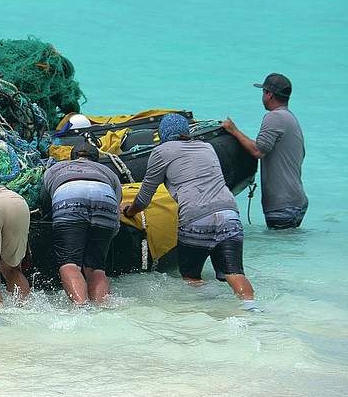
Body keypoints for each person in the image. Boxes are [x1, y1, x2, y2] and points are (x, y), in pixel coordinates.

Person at [121, 113, 259, 310]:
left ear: (162, 134)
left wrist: (129, 212)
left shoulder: (161, 152)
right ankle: (251, 307)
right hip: (229, 214)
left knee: (191, 276)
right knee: (235, 273)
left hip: (196, 217)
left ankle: (213, 305)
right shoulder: (207, 147)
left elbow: (144, 198)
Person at [222, 73, 308, 229]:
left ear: (270, 94)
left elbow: (258, 151)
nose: (263, 96)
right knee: (287, 250)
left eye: (263, 92)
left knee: (281, 252)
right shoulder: (290, 118)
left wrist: (233, 130)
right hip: (296, 201)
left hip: (282, 205)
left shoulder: (274, 118)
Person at [40, 142, 122, 305]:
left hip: (69, 193)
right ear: (96, 160)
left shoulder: (54, 169)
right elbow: (116, 204)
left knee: (70, 263)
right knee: (96, 267)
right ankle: (102, 308)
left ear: (71, 158)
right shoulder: (109, 172)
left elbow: (45, 202)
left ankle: (80, 307)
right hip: (104, 196)